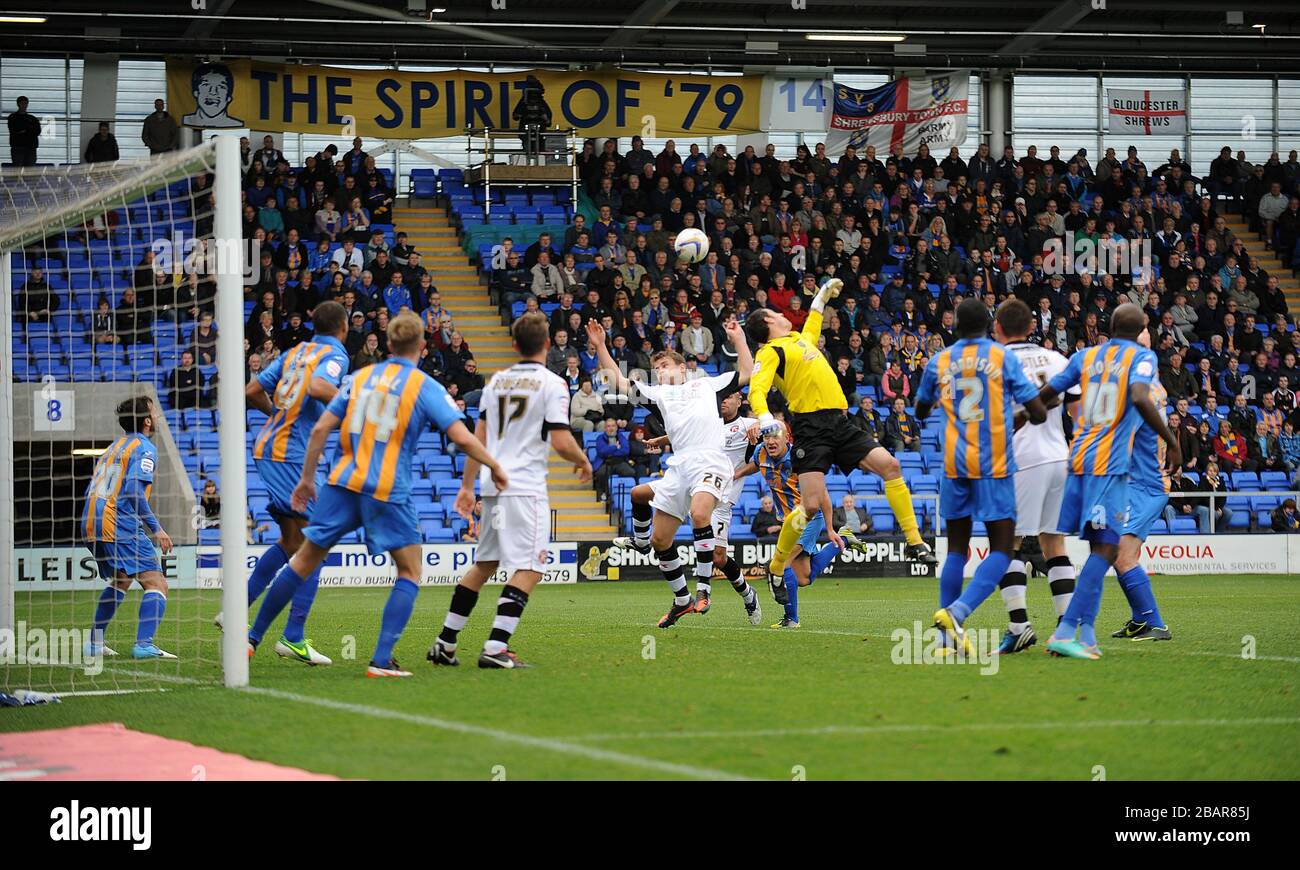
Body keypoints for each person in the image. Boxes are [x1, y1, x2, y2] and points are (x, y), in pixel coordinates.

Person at [248, 312, 508, 677]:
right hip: (386, 488)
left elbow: (322, 426)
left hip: (341, 481)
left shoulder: (359, 378)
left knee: (304, 559)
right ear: (421, 346)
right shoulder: (422, 385)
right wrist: (493, 466)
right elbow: (462, 437)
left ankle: (251, 639)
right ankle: (381, 660)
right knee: (410, 569)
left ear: (387, 345)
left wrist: (307, 479)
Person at [744, 277, 935, 593]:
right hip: (810, 429)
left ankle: (914, 541)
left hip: (841, 424)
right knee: (810, 508)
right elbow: (757, 390)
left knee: (892, 466)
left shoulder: (800, 340)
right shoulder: (770, 351)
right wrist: (765, 418)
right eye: (775, 313)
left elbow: (814, 320)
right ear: (768, 320)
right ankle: (777, 567)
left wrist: (821, 296)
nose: (781, 314)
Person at [430, 312, 592, 669]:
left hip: (493, 483)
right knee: (532, 567)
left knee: (485, 563)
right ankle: (495, 647)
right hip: (524, 486)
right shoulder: (553, 384)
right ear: (548, 345)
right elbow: (562, 440)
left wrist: (467, 485)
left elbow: (478, 438)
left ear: (514, 345)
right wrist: (582, 460)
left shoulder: (497, 382)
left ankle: (445, 642)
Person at [585, 318, 753, 628]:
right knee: (660, 541)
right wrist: (601, 347)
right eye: (657, 367)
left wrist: (739, 339)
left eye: (665, 365)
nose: (660, 370)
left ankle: (704, 591)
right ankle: (682, 600)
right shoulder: (658, 395)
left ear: (683, 369)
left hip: (710, 461)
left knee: (700, 514)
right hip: (680, 467)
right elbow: (615, 381)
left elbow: (746, 372)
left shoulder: (707, 384)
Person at [1039, 303, 1180, 660]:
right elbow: (1136, 402)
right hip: (1115, 472)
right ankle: (1078, 630)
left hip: (1111, 471)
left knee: (1110, 551)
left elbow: (1051, 394)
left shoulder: (1097, 362)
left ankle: (1095, 630)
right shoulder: (1142, 371)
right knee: (1107, 550)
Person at [917, 299, 1047, 656]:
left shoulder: (939, 360)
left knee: (956, 549)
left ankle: (946, 642)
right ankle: (956, 614)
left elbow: (919, 408)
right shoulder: (1002, 357)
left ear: (955, 326)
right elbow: (1036, 411)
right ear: (990, 325)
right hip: (995, 465)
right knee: (1003, 549)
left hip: (955, 465)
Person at [230, 302, 352, 665]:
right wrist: (352, 404)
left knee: (291, 541)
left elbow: (251, 390)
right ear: (344, 327)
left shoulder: (296, 351)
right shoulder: (334, 353)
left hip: (269, 446)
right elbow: (318, 386)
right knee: (316, 546)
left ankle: (240, 615)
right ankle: (292, 636)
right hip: (290, 454)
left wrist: (277, 415)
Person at [610, 385, 762, 624]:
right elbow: (688, 434)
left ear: (739, 400)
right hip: (693, 483)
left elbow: (765, 451)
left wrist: (758, 427)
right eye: (720, 398)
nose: (722, 402)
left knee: (719, 558)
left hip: (720, 495)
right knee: (644, 502)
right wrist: (662, 439)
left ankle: (747, 593)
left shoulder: (747, 426)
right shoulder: (709, 421)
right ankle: (681, 587)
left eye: (728, 398)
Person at [990, 299, 1080, 654]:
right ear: (1031, 326)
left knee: (1005, 544)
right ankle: (1064, 632)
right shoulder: (1058, 359)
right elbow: (1078, 413)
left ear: (997, 328)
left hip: (1020, 460)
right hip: (1060, 456)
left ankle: (1019, 627)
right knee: (1054, 544)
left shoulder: (995, 362)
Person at [733, 423, 871, 628]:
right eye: (766, 437)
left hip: (807, 518)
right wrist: (735, 475)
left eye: (775, 437)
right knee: (804, 578)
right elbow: (756, 464)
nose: (770, 441)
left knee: (781, 563)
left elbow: (822, 494)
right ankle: (844, 540)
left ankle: (791, 619)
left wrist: (829, 528)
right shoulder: (761, 452)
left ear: (787, 438)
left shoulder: (801, 460)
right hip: (788, 522)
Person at [81, 397, 176, 660]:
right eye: (154, 413)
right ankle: (144, 645)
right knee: (156, 581)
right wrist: (156, 528)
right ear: (147, 421)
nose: (156, 416)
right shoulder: (145, 448)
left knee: (122, 579)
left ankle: (94, 644)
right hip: (118, 521)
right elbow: (134, 490)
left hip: (90, 519)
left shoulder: (115, 446)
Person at [1109, 331, 1174, 643]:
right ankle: (1140, 619)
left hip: (1145, 485)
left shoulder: (1141, 390)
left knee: (1121, 555)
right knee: (1120, 553)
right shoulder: (1154, 386)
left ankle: (1155, 623)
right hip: (1143, 482)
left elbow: (1123, 439)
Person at [6, 96, 39, 166]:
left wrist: (24, 130)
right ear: (18, 104)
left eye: (26, 103)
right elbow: (14, 130)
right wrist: (29, 130)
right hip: (18, 148)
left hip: (31, 148)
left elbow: (37, 131)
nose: (24, 105)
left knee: (30, 171)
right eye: (22, 103)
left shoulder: (32, 118)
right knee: (18, 169)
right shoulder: (13, 117)